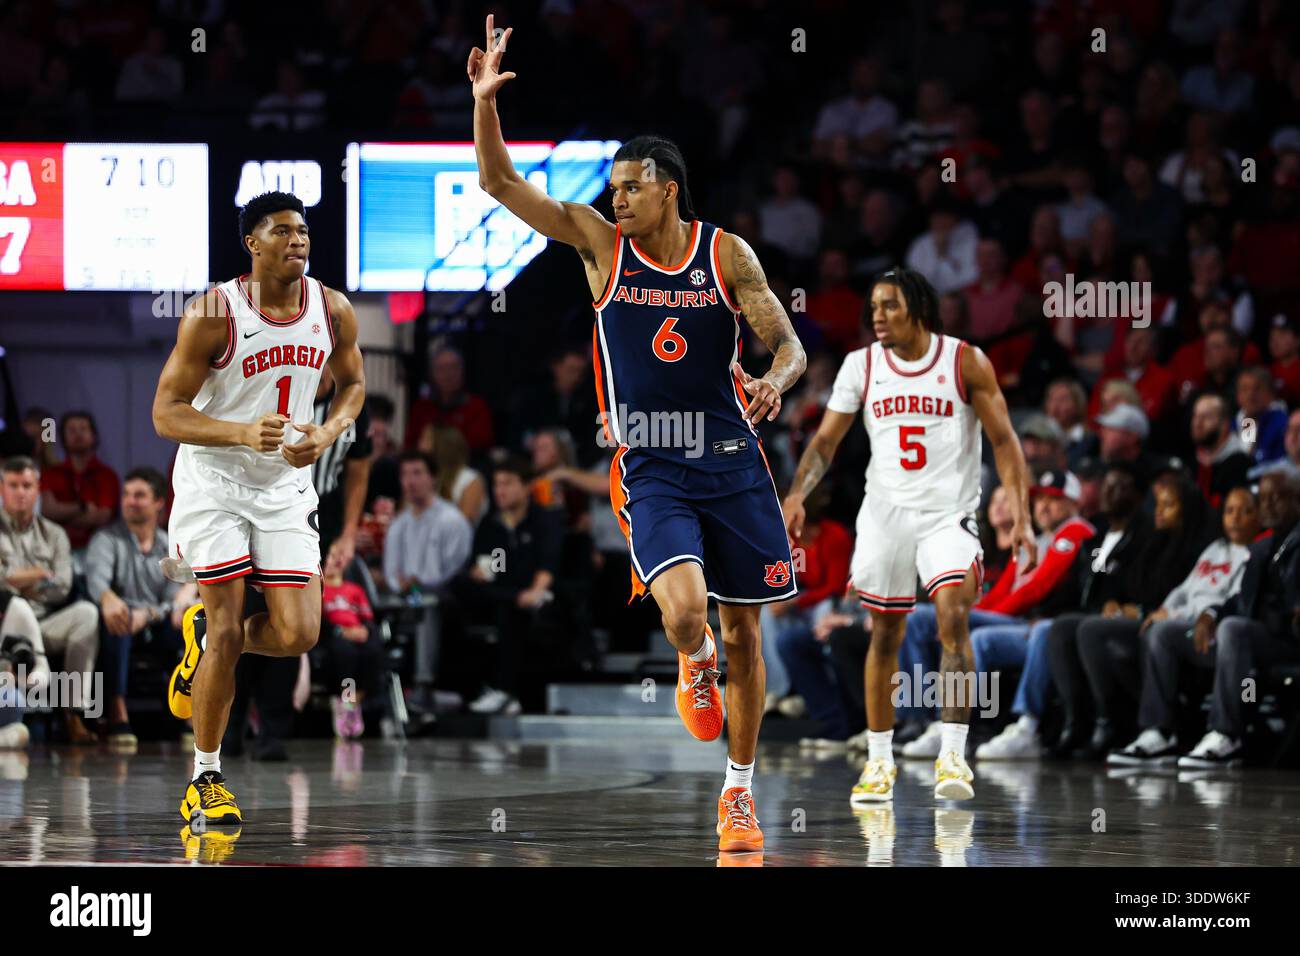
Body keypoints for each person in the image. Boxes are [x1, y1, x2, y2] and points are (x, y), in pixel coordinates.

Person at [470, 14, 806, 853]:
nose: (613, 197)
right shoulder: (597, 245)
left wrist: (777, 380)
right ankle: (689, 666)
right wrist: (484, 105)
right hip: (651, 460)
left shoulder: (726, 255)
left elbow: (790, 343)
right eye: (612, 186)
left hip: (733, 459)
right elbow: (503, 186)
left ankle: (739, 793)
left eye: (628, 186)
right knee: (690, 618)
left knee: (745, 632)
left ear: (667, 188)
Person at [782, 267, 1036, 805]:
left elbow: (1006, 442)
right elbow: (826, 442)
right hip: (885, 513)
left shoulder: (965, 360)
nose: (877, 315)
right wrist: (798, 492)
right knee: (885, 635)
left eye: (890, 305)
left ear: (918, 308)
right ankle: (878, 762)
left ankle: (952, 753)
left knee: (951, 615)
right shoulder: (862, 365)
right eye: (873, 305)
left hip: (949, 512)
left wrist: (1024, 517)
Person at [152, 190, 365, 826]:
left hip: (283, 485)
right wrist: (241, 431)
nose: (297, 240)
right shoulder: (213, 312)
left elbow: (353, 385)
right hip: (213, 482)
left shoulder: (333, 309)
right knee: (224, 624)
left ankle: (208, 645)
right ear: (252, 243)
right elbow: (165, 413)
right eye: (281, 231)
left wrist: (327, 433)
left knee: (300, 633)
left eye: (302, 231)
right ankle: (206, 779)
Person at [1109, 485, 1260, 764]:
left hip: (1221, 634)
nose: (1236, 518)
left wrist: (1181, 615)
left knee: (1204, 630)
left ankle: (1225, 735)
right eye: (1229, 511)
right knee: (1159, 632)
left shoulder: (1256, 553)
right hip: (1193, 629)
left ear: (1259, 517)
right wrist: (1165, 610)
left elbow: (1235, 603)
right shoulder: (1216, 549)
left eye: (1246, 511)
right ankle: (1159, 733)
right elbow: (1184, 589)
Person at [1175, 472, 1300, 767]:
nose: (1267, 505)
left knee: (1234, 630)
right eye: (1263, 499)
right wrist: (1210, 614)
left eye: (1277, 498)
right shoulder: (1264, 547)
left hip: (1291, 638)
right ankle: (1161, 731)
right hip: (1264, 635)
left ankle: (1226, 733)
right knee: (1175, 632)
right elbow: (1240, 599)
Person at [86, 466, 193, 750]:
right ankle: (117, 710)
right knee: (116, 622)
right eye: (126, 495)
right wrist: (109, 599)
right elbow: (98, 582)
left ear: (159, 502)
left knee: (188, 629)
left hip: (154, 621)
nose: (130, 501)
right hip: (121, 620)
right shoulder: (107, 539)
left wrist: (147, 614)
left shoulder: (170, 545)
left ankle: (185, 712)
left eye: (139, 495)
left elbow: (175, 598)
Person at [0, 456, 98, 743]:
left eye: (26, 485)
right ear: (2, 488)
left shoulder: (55, 534)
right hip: (5, 623)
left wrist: (15, 579)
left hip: (44, 622)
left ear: (38, 489)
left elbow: (63, 586)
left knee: (87, 614)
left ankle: (74, 714)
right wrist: (40, 574)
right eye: (13, 485)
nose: (20, 492)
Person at [383, 450, 473, 712]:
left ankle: (424, 686)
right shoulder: (398, 524)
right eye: (405, 475)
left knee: (428, 605)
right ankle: (377, 692)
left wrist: (417, 581)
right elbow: (392, 572)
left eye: (417, 473)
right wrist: (400, 583)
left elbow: (454, 569)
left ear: (433, 478)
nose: (410, 481)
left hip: (444, 598)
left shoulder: (452, 520)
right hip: (403, 596)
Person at [321, 544, 385, 739]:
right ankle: (347, 702)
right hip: (334, 634)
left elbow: (366, 616)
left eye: (339, 556)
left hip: (357, 631)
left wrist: (364, 630)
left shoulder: (355, 589)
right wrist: (341, 631)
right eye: (331, 557)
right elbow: (318, 620)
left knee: (373, 650)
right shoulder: (318, 589)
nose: (335, 561)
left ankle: (352, 703)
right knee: (346, 653)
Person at [39, 411, 120, 552]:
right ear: (63, 437)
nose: (78, 434)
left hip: (99, 548)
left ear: (94, 435)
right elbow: (47, 511)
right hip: (55, 548)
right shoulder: (50, 474)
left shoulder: (107, 475)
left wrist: (62, 516)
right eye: (71, 430)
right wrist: (83, 508)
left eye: (83, 429)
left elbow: (103, 516)